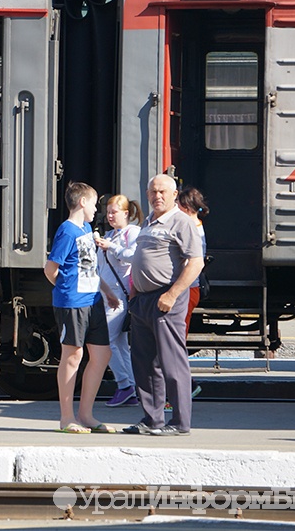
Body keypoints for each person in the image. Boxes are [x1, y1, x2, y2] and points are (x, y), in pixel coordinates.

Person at [122, 174, 204, 437]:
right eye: (153, 192)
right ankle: (152, 419)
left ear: (174, 195)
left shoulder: (181, 221)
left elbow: (195, 262)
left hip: (166, 299)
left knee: (172, 362)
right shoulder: (148, 222)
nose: (157, 196)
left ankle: (180, 422)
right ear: (147, 194)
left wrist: (172, 294)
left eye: (162, 192)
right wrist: (134, 294)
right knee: (145, 363)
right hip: (143, 302)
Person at [43, 181, 115, 434]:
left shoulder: (85, 228)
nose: (97, 209)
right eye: (94, 203)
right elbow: (51, 269)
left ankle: (86, 414)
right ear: (83, 202)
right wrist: (67, 289)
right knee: (73, 356)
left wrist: (106, 292)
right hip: (73, 302)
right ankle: (66, 418)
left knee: (102, 355)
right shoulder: (67, 230)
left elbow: (89, 266)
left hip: (92, 300)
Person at [94, 194, 142, 408]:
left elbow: (133, 256)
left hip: (119, 296)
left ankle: (124, 385)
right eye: (108, 212)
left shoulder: (132, 233)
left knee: (107, 341)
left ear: (126, 213)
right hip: (106, 294)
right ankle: (131, 387)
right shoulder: (110, 234)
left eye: (114, 212)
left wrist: (109, 247)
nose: (110, 216)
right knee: (120, 344)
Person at [177, 186, 209, 400]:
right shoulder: (196, 226)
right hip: (190, 289)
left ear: (187, 207)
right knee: (177, 340)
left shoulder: (192, 229)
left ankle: (185, 387)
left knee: (176, 341)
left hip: (186, 289)